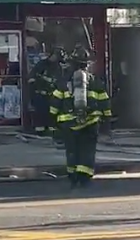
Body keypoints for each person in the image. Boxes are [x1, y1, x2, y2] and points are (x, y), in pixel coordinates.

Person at [49, 46, 112, 189]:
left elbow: (54, 104)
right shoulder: (95, 81)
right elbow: (105, 102)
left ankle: (72, 175)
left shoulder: (64, 82)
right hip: (90, 123)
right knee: (87, 150)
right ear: (87, 64)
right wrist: (106, 123)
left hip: (68, 124)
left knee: (71, 150)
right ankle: (84, 176)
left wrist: (53, 124)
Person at [28, 46, 66, 135]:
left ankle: (51, 131)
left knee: (52, 115)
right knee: (40, 114)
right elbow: (31, 78)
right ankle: (40, 132)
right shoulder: (41, 64)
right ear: (53, 55)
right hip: (40, 95)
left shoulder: (58, 67)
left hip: (52, 95)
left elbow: (60, 81)